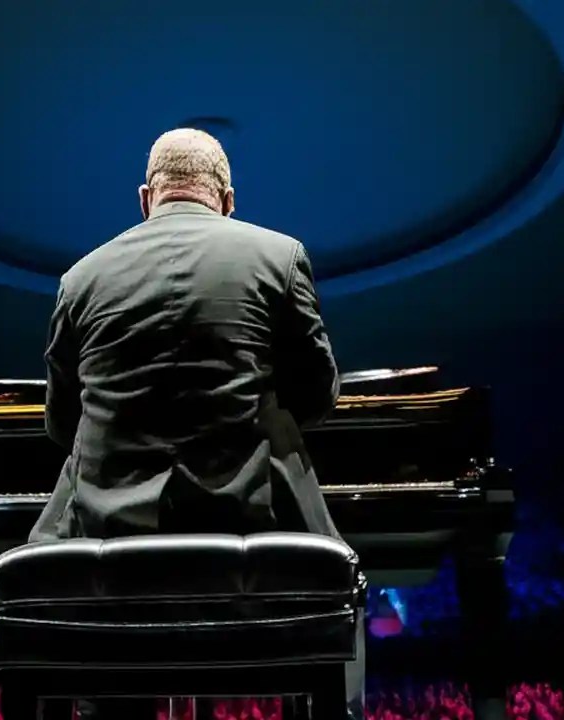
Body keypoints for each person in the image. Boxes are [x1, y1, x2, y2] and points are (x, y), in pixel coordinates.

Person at [29, 127, 363, 718]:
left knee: (58, 577)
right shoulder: (279, 257)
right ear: (228, 199)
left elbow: (62, 426)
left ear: (145, 198)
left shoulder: (78, 279)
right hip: (249, 519)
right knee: (339, 580)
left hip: (113, 530)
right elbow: (317, 395)